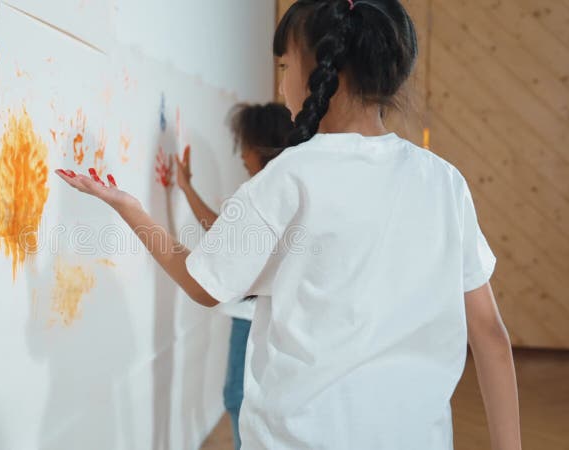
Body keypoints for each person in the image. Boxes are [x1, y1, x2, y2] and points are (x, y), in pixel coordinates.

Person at [55, 1, 521, 448]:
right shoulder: (445, 182)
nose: (282, 87)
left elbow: (203, 284)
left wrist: (129, 207)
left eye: (284, 67)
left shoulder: (291, 175)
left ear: (324, 69)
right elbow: (491, 337)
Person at [174, 103, 293, 449]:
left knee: (237, 399)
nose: (241, 154)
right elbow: (223, 235)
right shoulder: (276, 190)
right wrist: (185, 187)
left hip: (255, 317)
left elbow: (212, 264)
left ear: (262, 147)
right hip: (256, 316)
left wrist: (133, 212)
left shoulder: (265, 194)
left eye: (245, 145)